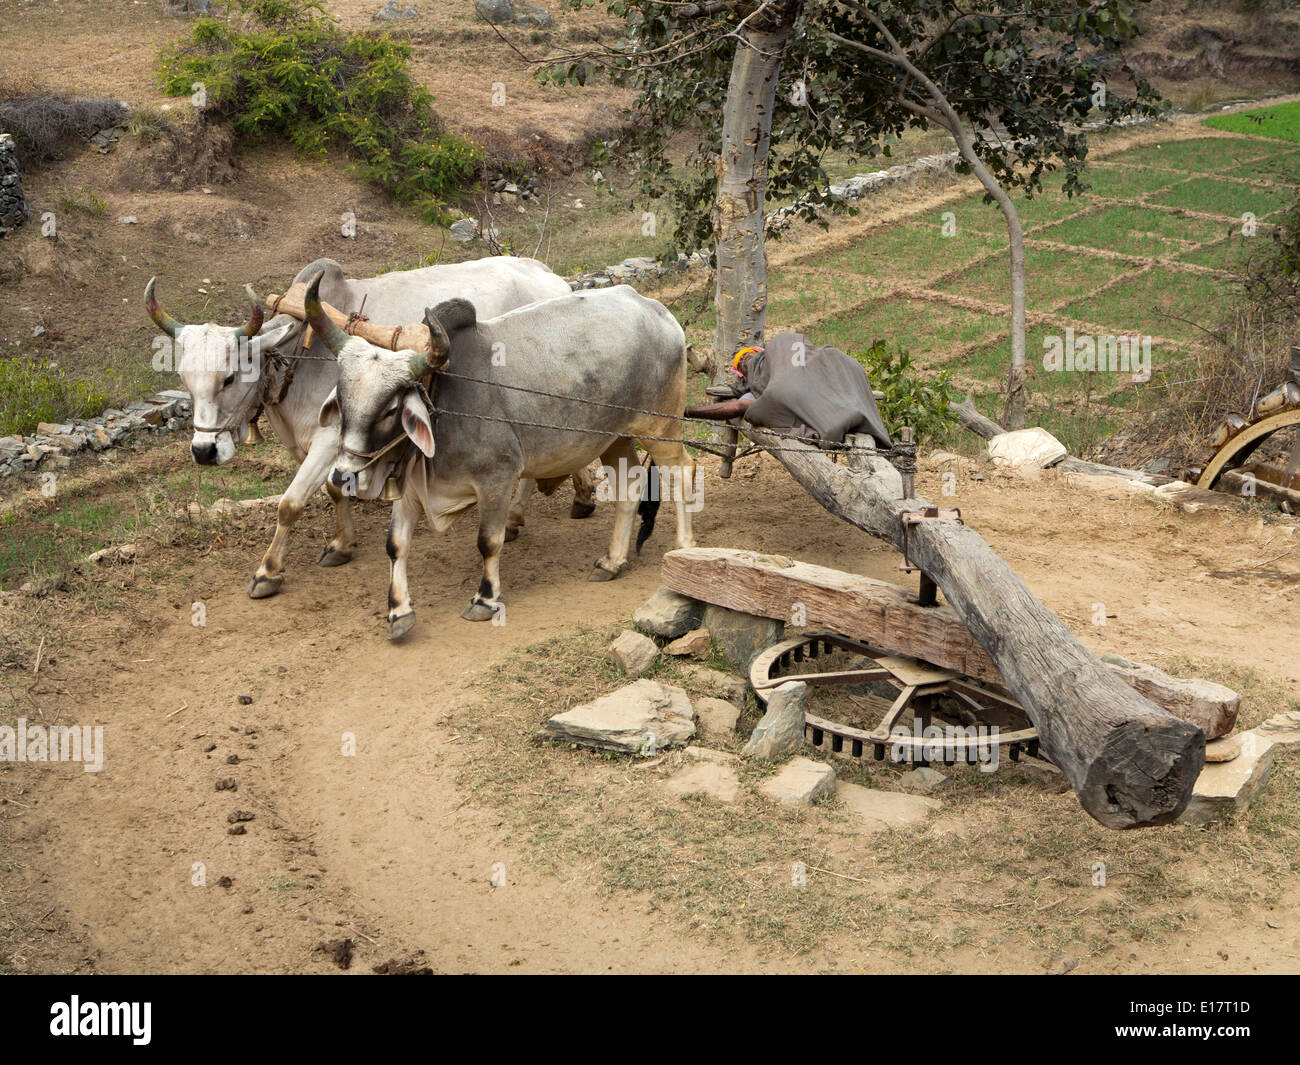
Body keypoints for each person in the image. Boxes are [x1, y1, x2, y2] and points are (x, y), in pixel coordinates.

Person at [686, 332, 892, 447]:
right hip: (797, 385)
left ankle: (688, 412)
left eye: (746, 358)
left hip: (804, 373)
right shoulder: (757, 382)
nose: (746, 361)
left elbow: (798, 347)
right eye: (742, 364)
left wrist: (688, 412)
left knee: (829, 357)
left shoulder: (779, 354)